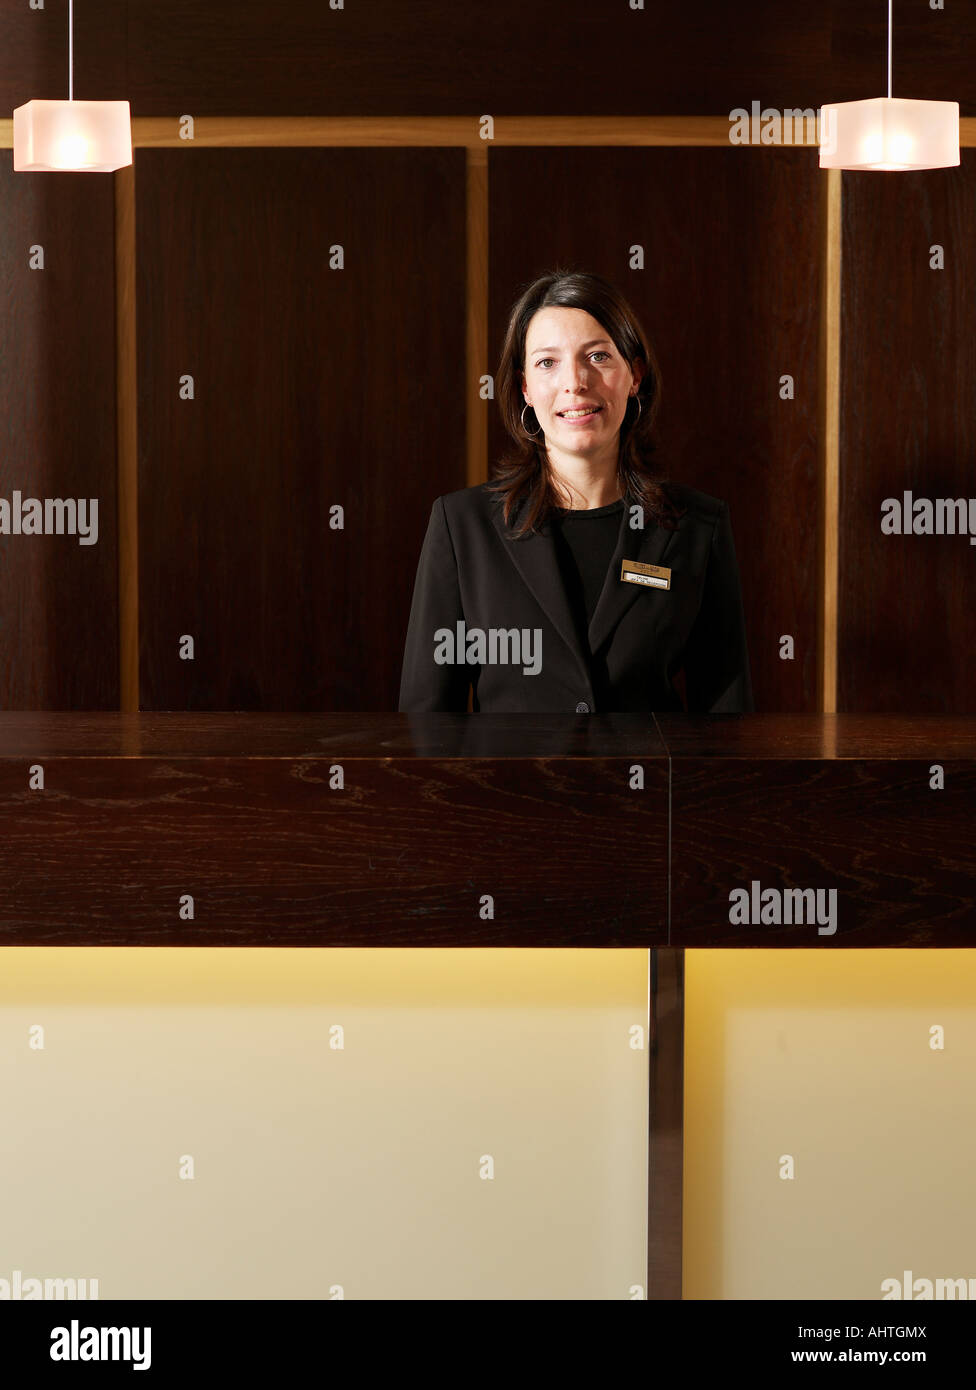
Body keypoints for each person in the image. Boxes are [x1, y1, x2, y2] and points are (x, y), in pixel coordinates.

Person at [398, 268, 754, 714]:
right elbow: (426, 724)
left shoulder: (697, 527)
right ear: (525, 386)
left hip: (648, 785)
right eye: (548, 362)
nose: (575, 382)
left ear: (635, 374)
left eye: (599, 357)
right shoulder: (461, 527)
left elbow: (726, 722)